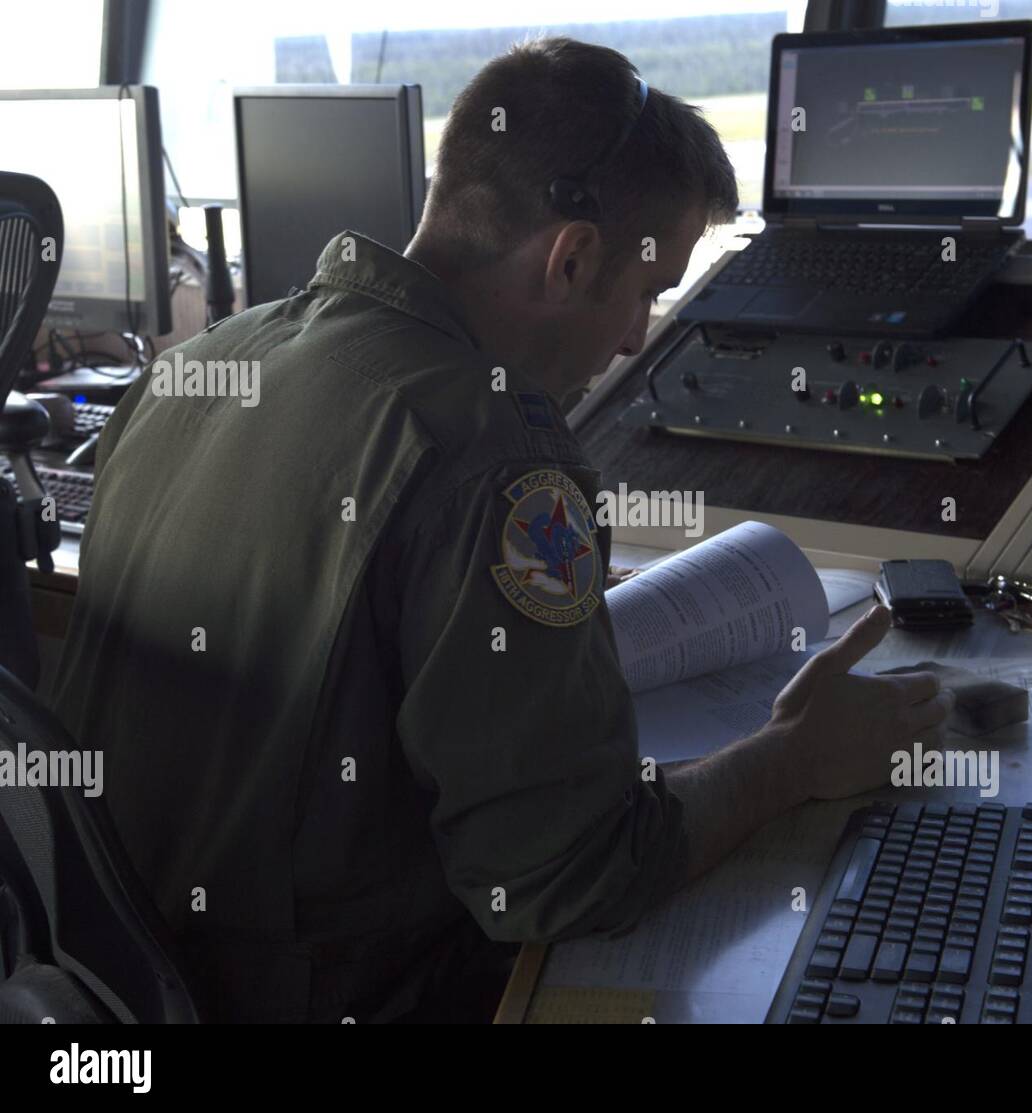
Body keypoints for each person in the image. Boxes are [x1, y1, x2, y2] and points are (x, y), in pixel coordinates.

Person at [51, 37, 948, 1023]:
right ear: (572, 258)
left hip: (110, 980)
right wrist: (791, 759)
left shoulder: (207, 358)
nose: (632, 342)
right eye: (645, 294)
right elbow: (565, 880)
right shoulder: (499, 462)